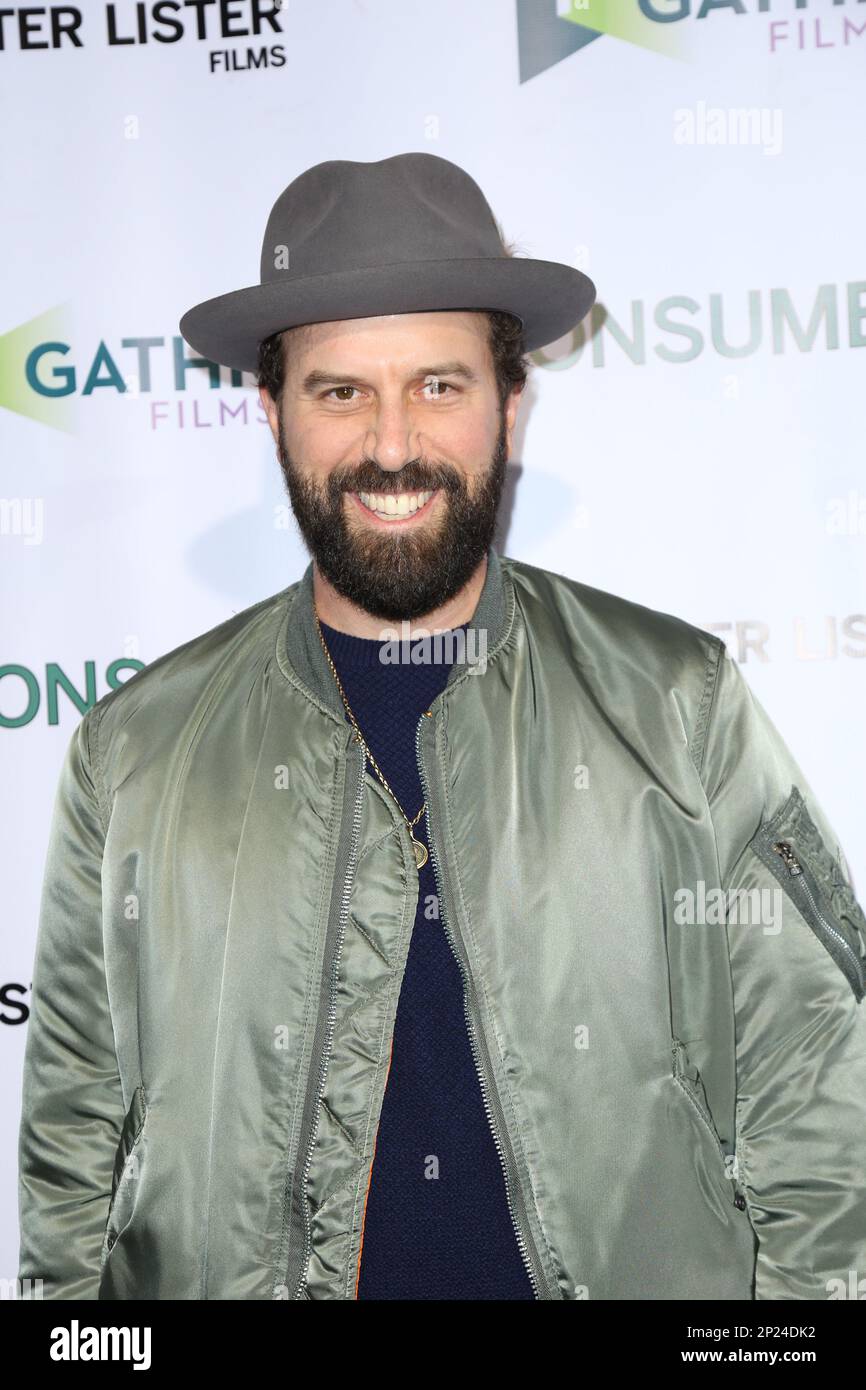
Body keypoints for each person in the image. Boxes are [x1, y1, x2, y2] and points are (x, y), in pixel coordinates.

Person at [18, 153, 866, 1301]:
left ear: (509, 404)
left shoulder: (675, 705)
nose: (390, 443)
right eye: (339, 392)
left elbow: (818, 1092)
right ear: (270, 412)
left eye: (438, 384)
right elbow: (72, 1135)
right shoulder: (134, 750)